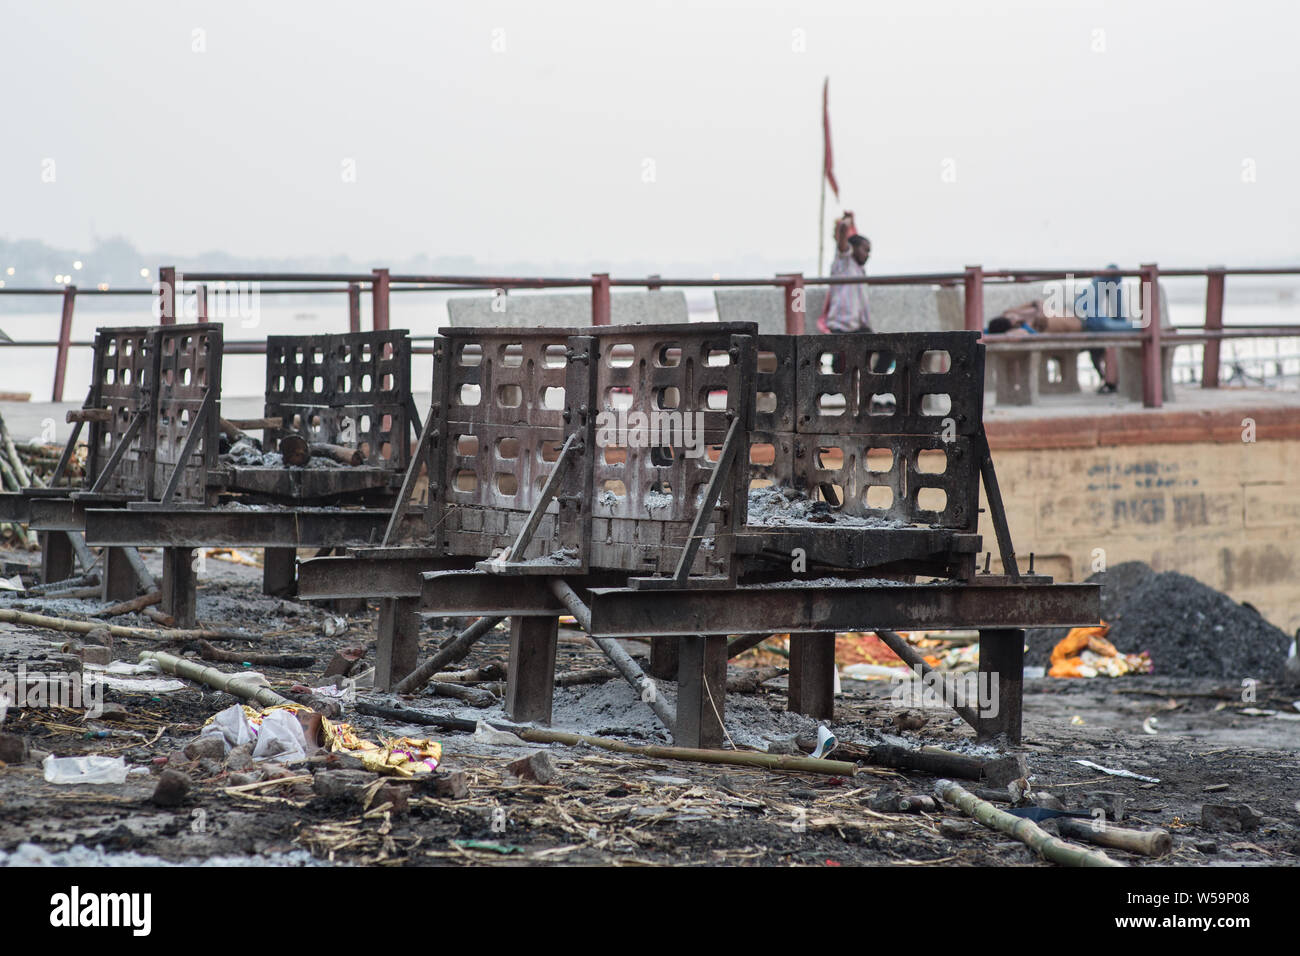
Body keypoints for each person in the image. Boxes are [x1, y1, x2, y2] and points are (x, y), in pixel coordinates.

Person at [1075, 264, 1128, 393]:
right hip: (1100, 324)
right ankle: (1122, 321)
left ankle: (1121, 320)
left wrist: (1104, 377)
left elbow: (1097, 358)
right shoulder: (1108, 347)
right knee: (1113, 270)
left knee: (1112, 270)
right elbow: (1098, 357)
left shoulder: (1104, 348)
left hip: (1092, 322)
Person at [819, 211, 872, 333]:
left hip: (859, 327)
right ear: (853, 248)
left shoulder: (860, 270)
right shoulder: (844, 262)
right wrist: (848, 220)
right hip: (840, 327)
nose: (867, 255)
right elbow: (843, 230)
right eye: (865, 250)